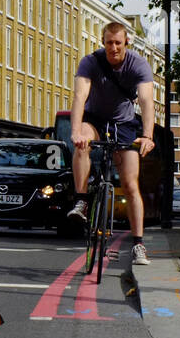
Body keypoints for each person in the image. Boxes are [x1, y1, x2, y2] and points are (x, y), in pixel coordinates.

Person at [66, 21, 156, 266]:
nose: (113, 47)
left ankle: (138, 244)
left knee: (130, 184)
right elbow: (79, 96)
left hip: (125, 125)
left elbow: (146, 101)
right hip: (94, 119)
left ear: (126, 42)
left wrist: (147, 135)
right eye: (109, 42)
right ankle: (82, 200)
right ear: (103, 42)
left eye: (118, 42)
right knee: (82, 142)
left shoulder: (138, 64)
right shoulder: (90, 62)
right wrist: (75, 131)